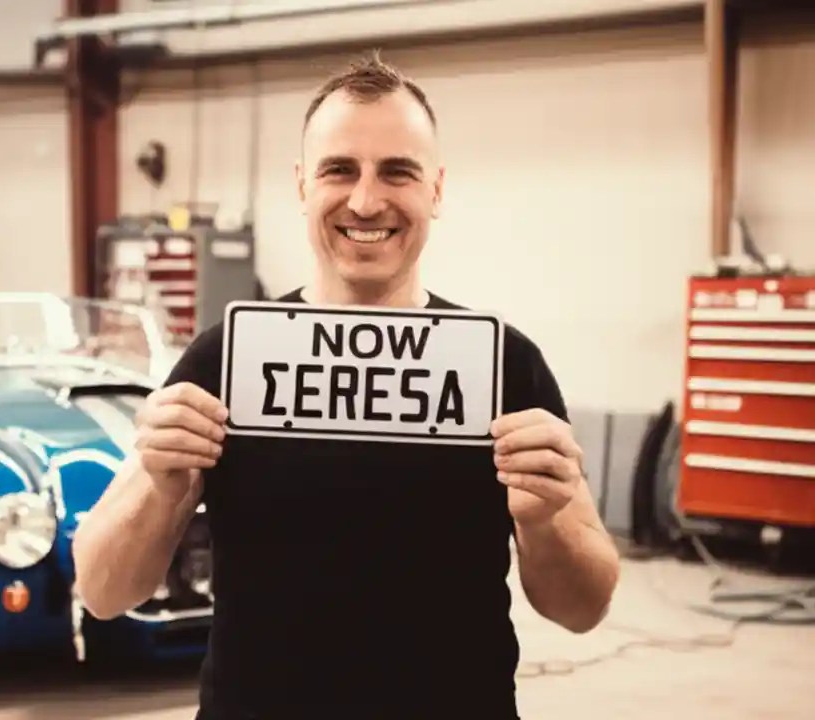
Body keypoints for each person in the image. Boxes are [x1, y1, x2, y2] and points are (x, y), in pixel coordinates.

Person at [72, 51, 621, 719]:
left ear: (436, 190)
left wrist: (547, 521)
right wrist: (160, 488)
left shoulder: (505, 368)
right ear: (303, 185)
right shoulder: (228, 361)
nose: (366, 200)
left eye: (398, 172)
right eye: (340, 170)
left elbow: (584, 609)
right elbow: (101, 591)